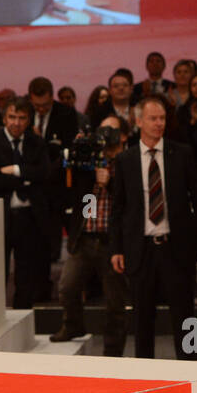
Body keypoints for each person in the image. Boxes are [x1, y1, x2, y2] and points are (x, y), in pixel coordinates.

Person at [108, 96, 197, 360]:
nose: (159, 124)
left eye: (163, 118)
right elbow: (118, 210)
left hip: (176, 247)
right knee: (143, 321)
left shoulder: (182, 154)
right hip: (140, 249)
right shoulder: (125, 160)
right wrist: (116, 248)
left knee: (184, 318)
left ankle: (191, 374)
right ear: (139, 121)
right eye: (153, 119)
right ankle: (147, 381)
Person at [52, 117, 126, 354]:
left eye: (111, 131)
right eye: (101, 130)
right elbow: (57, 180)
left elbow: (132, 201)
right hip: (84, 236)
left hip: (112, 242)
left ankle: (113, 349)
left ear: (123, 135)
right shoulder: (87, 158)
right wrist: (75, 151)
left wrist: (110, 181)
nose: (105, 135)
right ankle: (73, 325)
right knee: (67, 287)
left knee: (115, 301)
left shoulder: (128, 162)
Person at [0, 96, 52, 307]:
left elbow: (45, 173)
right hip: (1, 214)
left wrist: (16, 170)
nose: (16, 123)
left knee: (26, 272)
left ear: (29, 120)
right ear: (4, 118)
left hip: (29, 216)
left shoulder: (36, 142)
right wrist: (27, 179)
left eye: (21, 118)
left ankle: (24, 315)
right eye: (12, 117)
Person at [29, 76, 79, 261]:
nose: (41, 109)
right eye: (37, 105)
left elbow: (67, 149)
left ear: (52, 97)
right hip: (32, 184)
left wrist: (42, 143)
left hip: (58, 184)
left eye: (45, 105)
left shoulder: (66, 113)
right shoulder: (24, 113)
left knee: (58, 237)